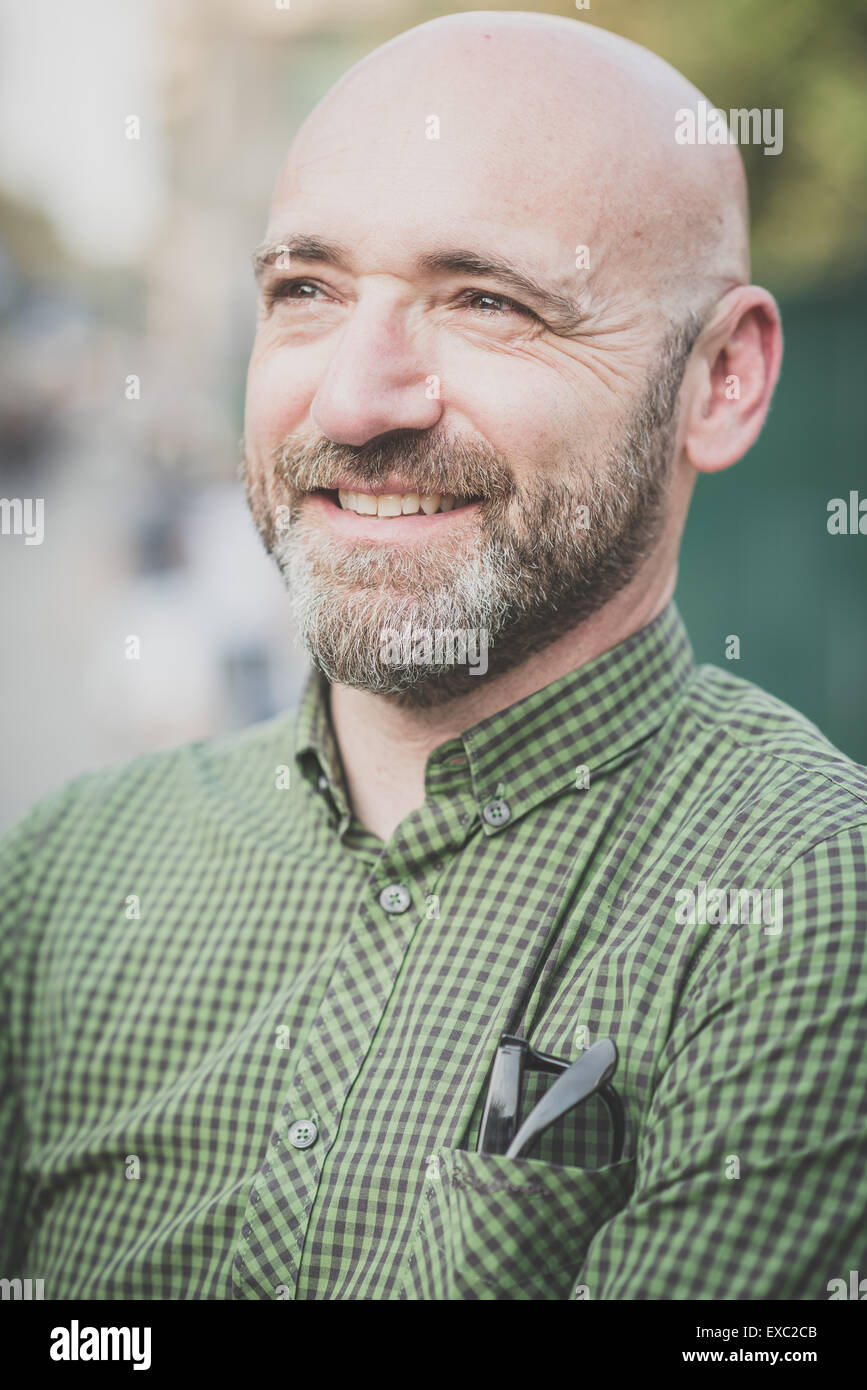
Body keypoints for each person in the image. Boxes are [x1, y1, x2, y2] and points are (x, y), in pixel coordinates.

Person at [2, 12, 865, 1302]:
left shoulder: (809, 903)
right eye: (306, 291)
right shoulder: (68, 868)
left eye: (487, 302)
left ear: (722, 379)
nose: (355, 399)